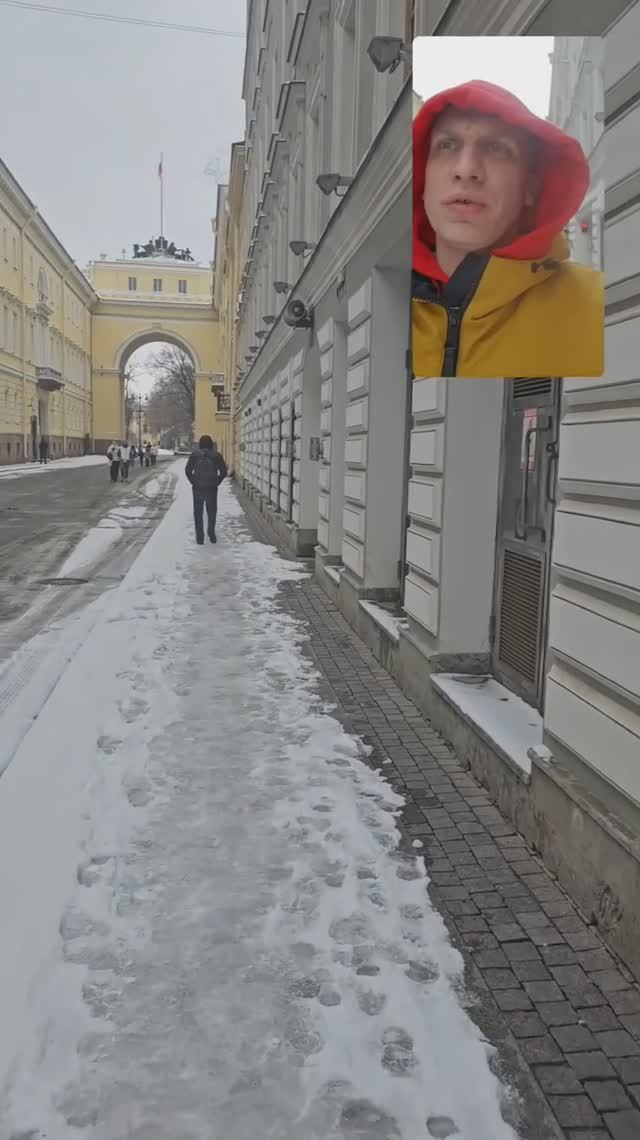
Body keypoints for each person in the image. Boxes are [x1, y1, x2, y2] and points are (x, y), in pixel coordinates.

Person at [412, 79, 604, 378]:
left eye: (496, 149)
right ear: (422, 181)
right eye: (447, 146)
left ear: (529, 188)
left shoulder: (598, 310)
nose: (466, 169)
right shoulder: (382, 305)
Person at [185, 435, 228, 545]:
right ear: (211, 444)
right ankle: (211, 533)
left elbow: (188, 471)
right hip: (212, 488)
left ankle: (200, 539)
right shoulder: (217, 455)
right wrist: (216, 482)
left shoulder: (194, 455)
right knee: (212, 512)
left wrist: (194, 482)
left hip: (198, 488)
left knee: (198, 513)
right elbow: (224, 472)